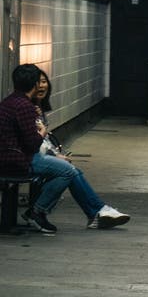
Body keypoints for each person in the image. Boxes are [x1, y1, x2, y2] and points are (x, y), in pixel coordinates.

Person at [0, 63, 130, 235]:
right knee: (68, 171)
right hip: (19, 160)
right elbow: (32, 143)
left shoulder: (9, 102)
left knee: (70, 170)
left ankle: (97, 212)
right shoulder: (24, 106)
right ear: (35, 84)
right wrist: (42, 132)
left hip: (14, 156)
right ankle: (38, 212)